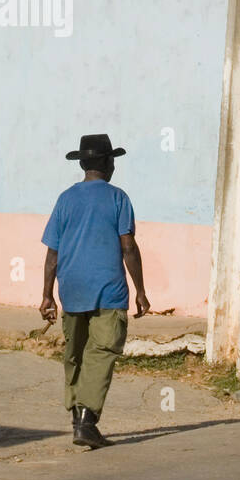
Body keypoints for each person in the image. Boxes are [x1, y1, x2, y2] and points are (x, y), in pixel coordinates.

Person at [39, 133, 149, 449]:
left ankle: (78, 419)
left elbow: (52, 254)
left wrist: (47, 295)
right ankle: (87, 421)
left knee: (75, 354)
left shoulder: (66, 199)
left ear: (84, 163)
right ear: (106, 163)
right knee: (102, 351)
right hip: (109, 292)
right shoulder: (118, 198)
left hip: (71, 290)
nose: (114, 164)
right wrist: (140, 290)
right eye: (112, 159)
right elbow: (128, 247)